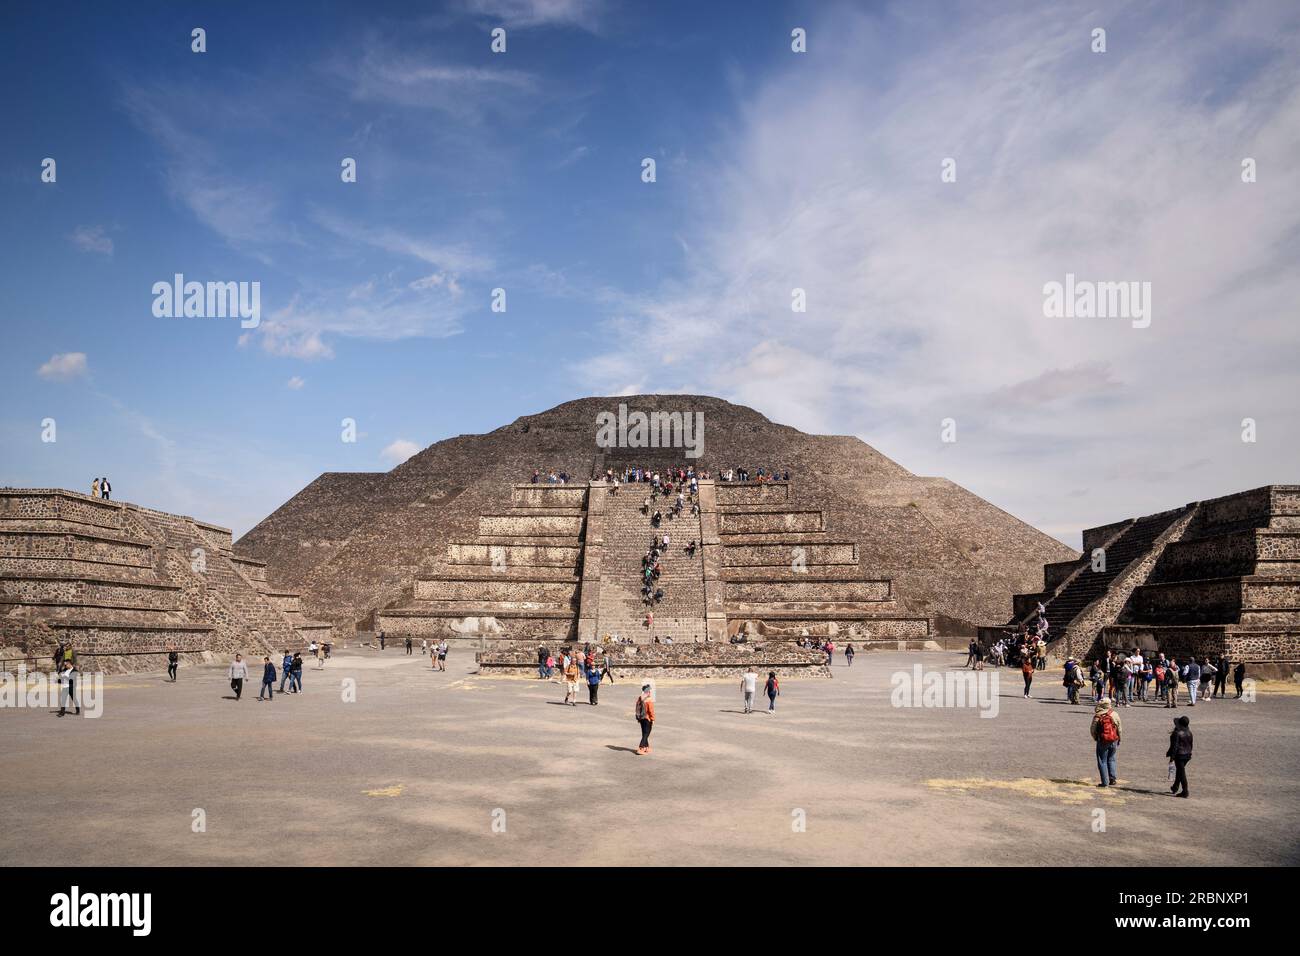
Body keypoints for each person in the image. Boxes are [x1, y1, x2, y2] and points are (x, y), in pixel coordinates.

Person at [1089, 697, 1122, 787]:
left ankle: (1105, 782)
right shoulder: (1114, 714)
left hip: (1102, 740)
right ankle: (1113, 779)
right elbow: (1119, 728)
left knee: (1102, 761)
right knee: (1112, 759)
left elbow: (1092, 730)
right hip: (1114, 739)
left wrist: (1096, 738)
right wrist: (1119, 739)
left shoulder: (1098, 716)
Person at [1166, 715, 1193, 798]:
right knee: (1180, 771)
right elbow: (1191, 744)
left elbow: (1175, 747)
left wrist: (1172, 758)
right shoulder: (1189, 732)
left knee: (1181, 773)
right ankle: (1175, 787)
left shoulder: (1176, 733)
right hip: (1187, 755)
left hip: (1180, 755)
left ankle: (1185, 791)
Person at [635, 684, 655, 755]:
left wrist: (638, 717)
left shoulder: (640, 698)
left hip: (641, 718)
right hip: (647, 718)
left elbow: (637, 708)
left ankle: (646, 747)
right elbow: (651, 711)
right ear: (648, 691)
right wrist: (653, 719)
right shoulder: (649, 699)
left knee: (644, 733)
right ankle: (641, 747)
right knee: (646, 733)